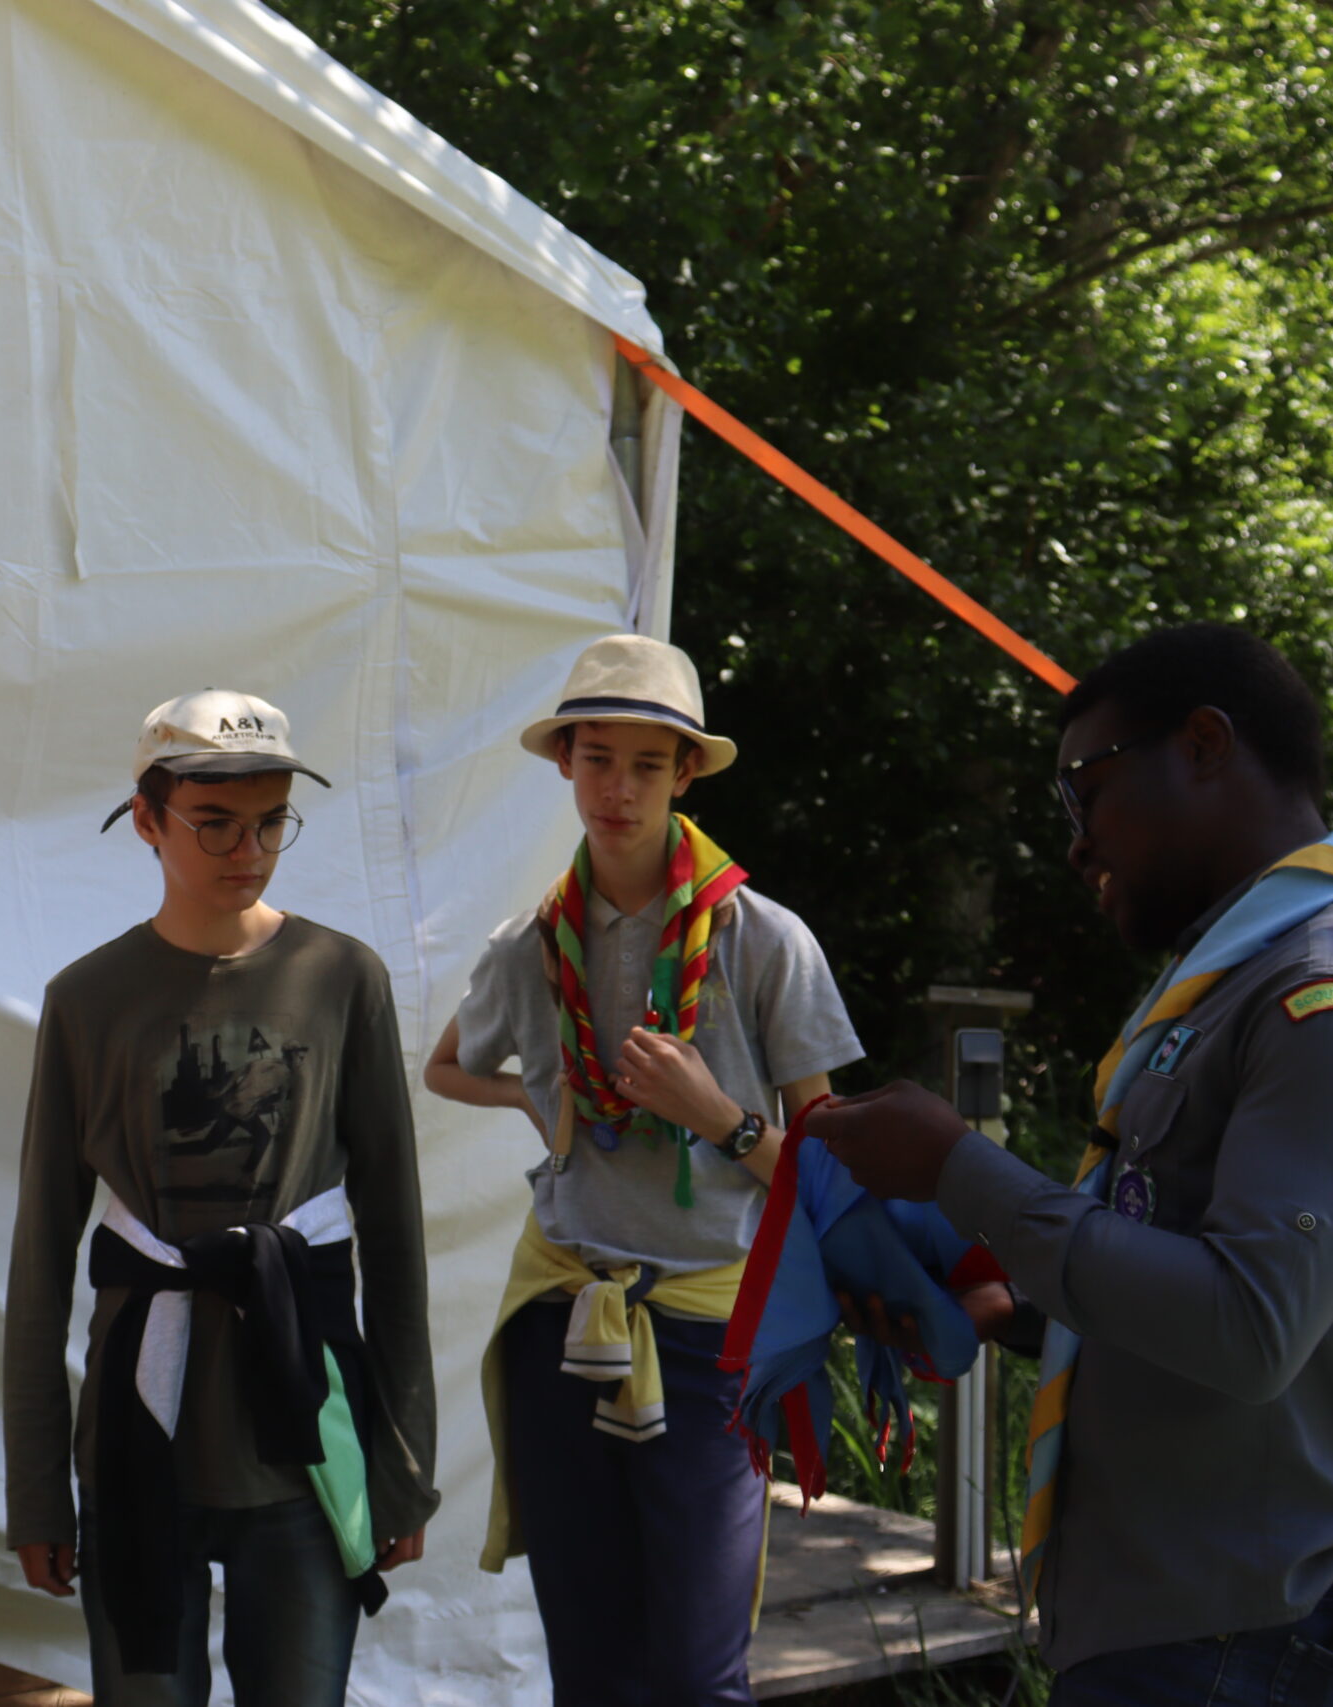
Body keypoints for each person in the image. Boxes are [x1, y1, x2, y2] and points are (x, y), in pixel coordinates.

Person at [806, 624, 1333, 1706]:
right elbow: (1185, 1266)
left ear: (1205, 744)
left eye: (1086, 793)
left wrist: (959, 1169)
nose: (1078, 845)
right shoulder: (1240, 980)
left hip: (1234, 1636)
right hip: (1175, 1623)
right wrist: (1015, 1306)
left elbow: (1248, 1323)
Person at [426, 633, 865, 1706]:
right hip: (563, 1313)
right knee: (589, 1659)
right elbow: (445, 1066)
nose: (618, 789)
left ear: (685, 774)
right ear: (563, 763)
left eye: (646, 764)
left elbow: (829, 1175)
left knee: (698, 1672)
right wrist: (533, 1097)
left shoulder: (764, 939)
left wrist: (719, 1120)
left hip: (710, 1329)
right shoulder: (532, 944)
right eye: (597, 759)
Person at [2, 690, 438, 1707]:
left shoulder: (342, 979)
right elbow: (41, 1254)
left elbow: (394, 1234)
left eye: (271, 821)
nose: (249, 850)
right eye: (215, 822)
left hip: (305, 1426)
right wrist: (38, 1491)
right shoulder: (87, 1000)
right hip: (139, 1431)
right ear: (146, 819)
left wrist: (401, 1460)